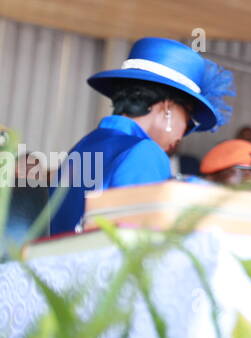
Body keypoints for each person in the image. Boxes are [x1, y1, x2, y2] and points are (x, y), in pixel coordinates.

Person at [51, 37, 235, 234]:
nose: (184, 133)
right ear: (168, 109)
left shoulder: (83, 145)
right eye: (188, 119)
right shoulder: (144, 152)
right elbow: (140, 241)